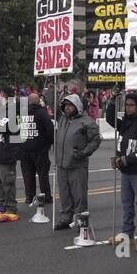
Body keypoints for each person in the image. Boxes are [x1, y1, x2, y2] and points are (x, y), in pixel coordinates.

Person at [107, 92, 137, 253]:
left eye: (131, 105)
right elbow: (109, 118)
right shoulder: (125, 124)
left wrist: (126, 159)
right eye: (126, 105)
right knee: (127, 206)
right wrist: (113, 99)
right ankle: (127, 234)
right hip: (125, 173)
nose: (127, 108)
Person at [54, 94, 102, 230]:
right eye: (65, 105)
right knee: (64, 193)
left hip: (77, 164)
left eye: (70, 105)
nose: (67, 108)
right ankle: (66, 217)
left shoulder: (87, 122)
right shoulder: (62, 119)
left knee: (79, 194)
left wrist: (83, 153)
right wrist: (52, 87)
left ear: (77, 106)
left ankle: (81, 218)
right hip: (62, 164)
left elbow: (96, 140)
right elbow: (53, 102)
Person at [20, 93, 54, 206]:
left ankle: (29, 197)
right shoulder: (42, 113)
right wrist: (49, 144)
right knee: (43, 175)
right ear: (38, 101)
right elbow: (50, 130)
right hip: (39, 149)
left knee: (28, 175)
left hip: (25, 149)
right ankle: (46, 196)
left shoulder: (22, 114)